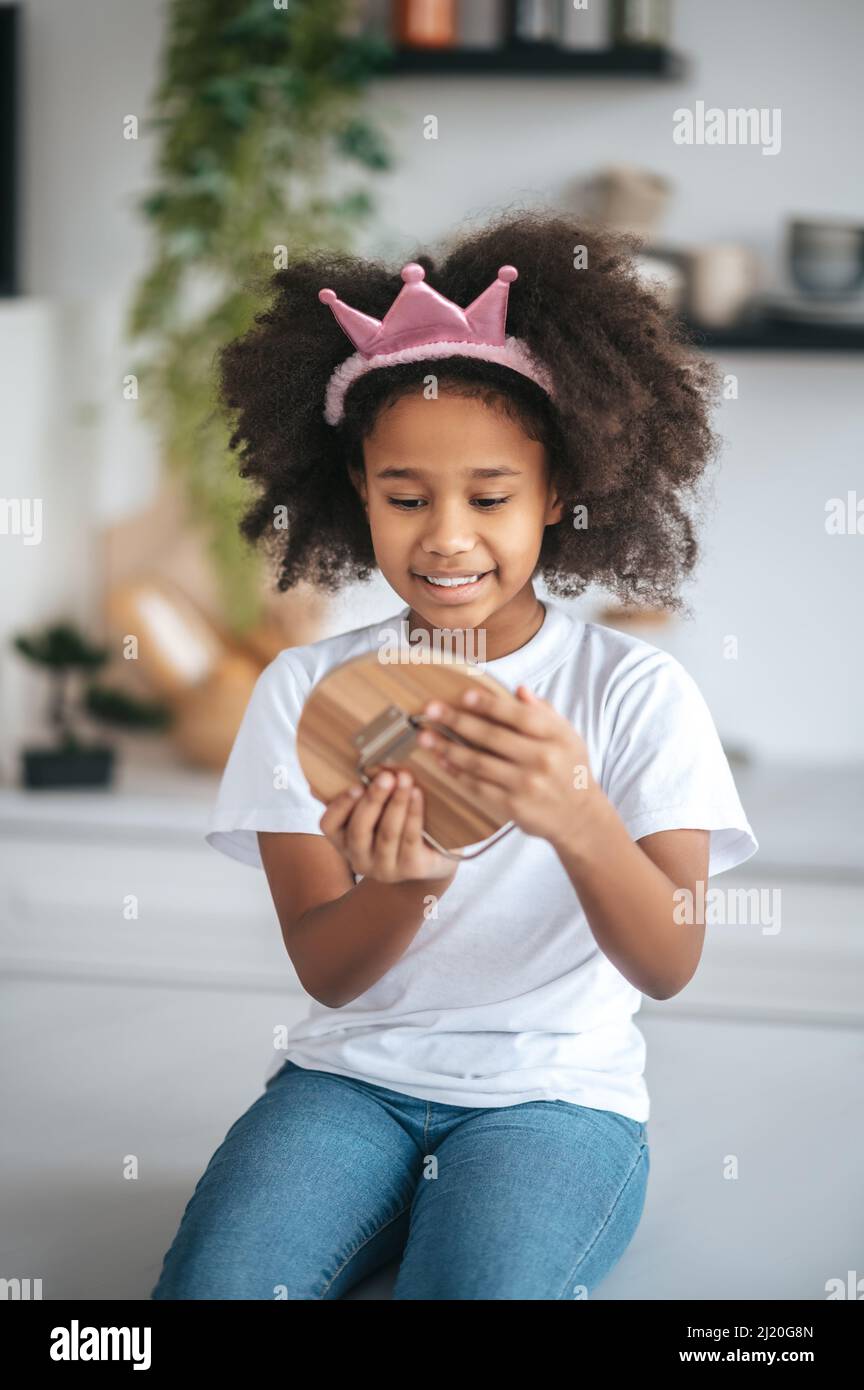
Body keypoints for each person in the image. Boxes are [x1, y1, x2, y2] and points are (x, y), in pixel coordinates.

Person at [151, 210, 758, 1300]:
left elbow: (670, 963)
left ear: (559, 493)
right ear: (356, 492)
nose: (445, 536)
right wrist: (408, 884)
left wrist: (575, 812)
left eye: (490, 497)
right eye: (404, 497)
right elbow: (330, 975)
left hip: (557, 1098)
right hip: (348, 1086)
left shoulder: (634, 693)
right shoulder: (309, 696)